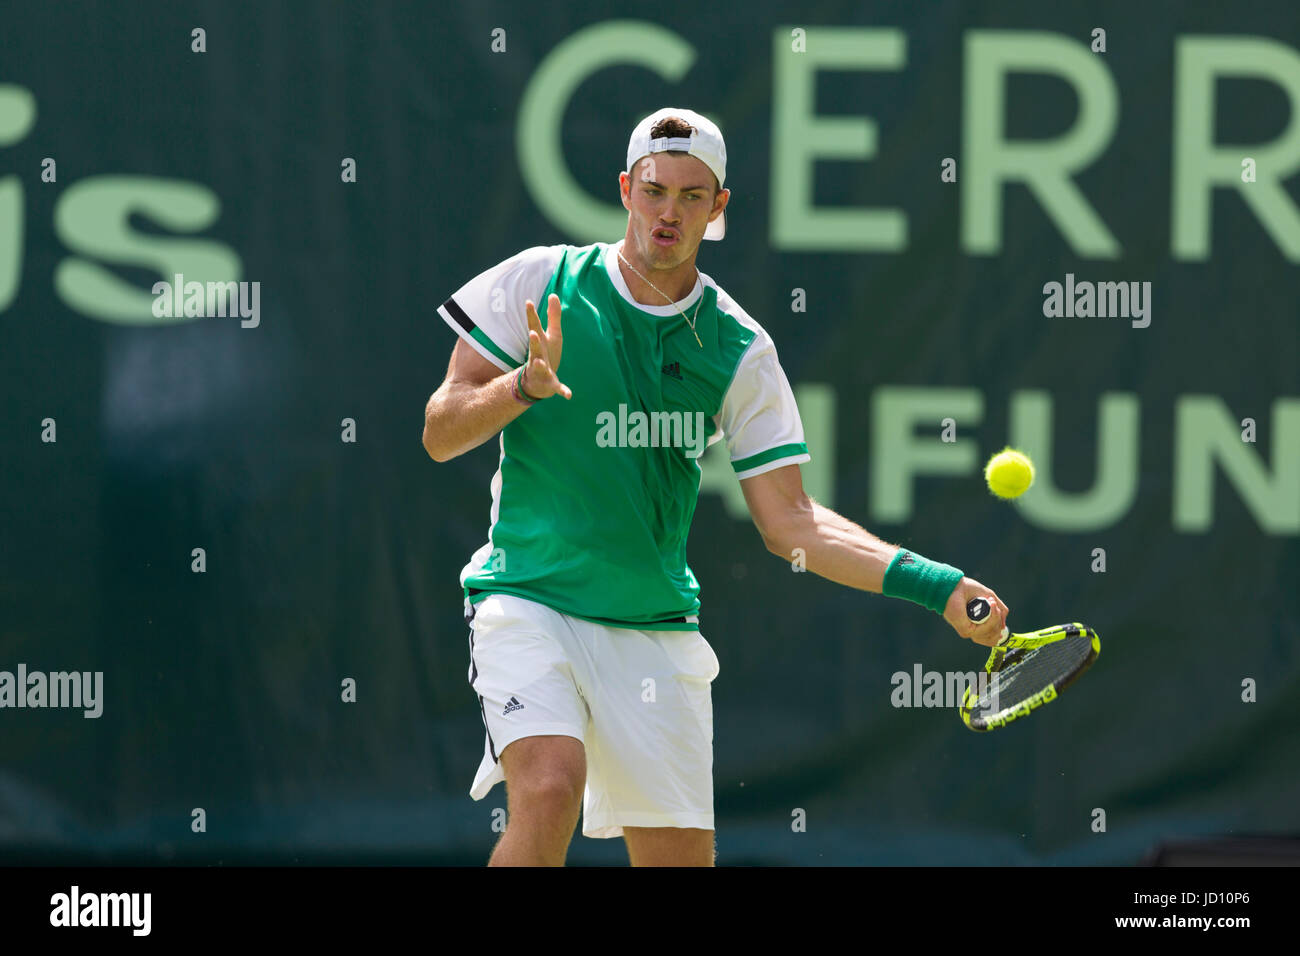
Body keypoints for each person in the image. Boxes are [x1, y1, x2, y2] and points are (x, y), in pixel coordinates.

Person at [423, 107, 1010, 866]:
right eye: (655, 190)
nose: (669, 212)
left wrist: (938, 587)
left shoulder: (738, 347)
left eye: (691, 196)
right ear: (626, 189)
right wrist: (522, 389)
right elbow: (441, 432)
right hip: (529, 599)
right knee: (547, 787)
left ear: (719, 206)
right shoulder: (542, 282)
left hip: (653, 628)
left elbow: (791, 523)